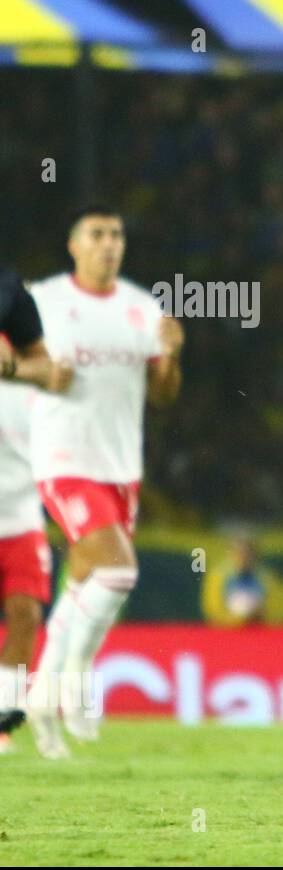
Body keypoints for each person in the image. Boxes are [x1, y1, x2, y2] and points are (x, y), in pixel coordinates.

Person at [25, 206, 184, 758]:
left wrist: (171, 356)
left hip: (121, 469)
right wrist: (37, 372)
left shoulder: (142, 307)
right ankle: (74, 688)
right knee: (119, 572)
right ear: (74, 245)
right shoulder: (42, 301)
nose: (109, 243)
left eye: (116, 234)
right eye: (96, 235)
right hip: (63, 461)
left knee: (80, 588)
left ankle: (40, 702)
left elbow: (162, 396)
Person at [0, 265, 72, 753]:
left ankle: (2, 720)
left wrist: (12, 367)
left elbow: (56, 371)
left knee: (25, 612)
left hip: (19, 508)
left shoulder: (12, 295)